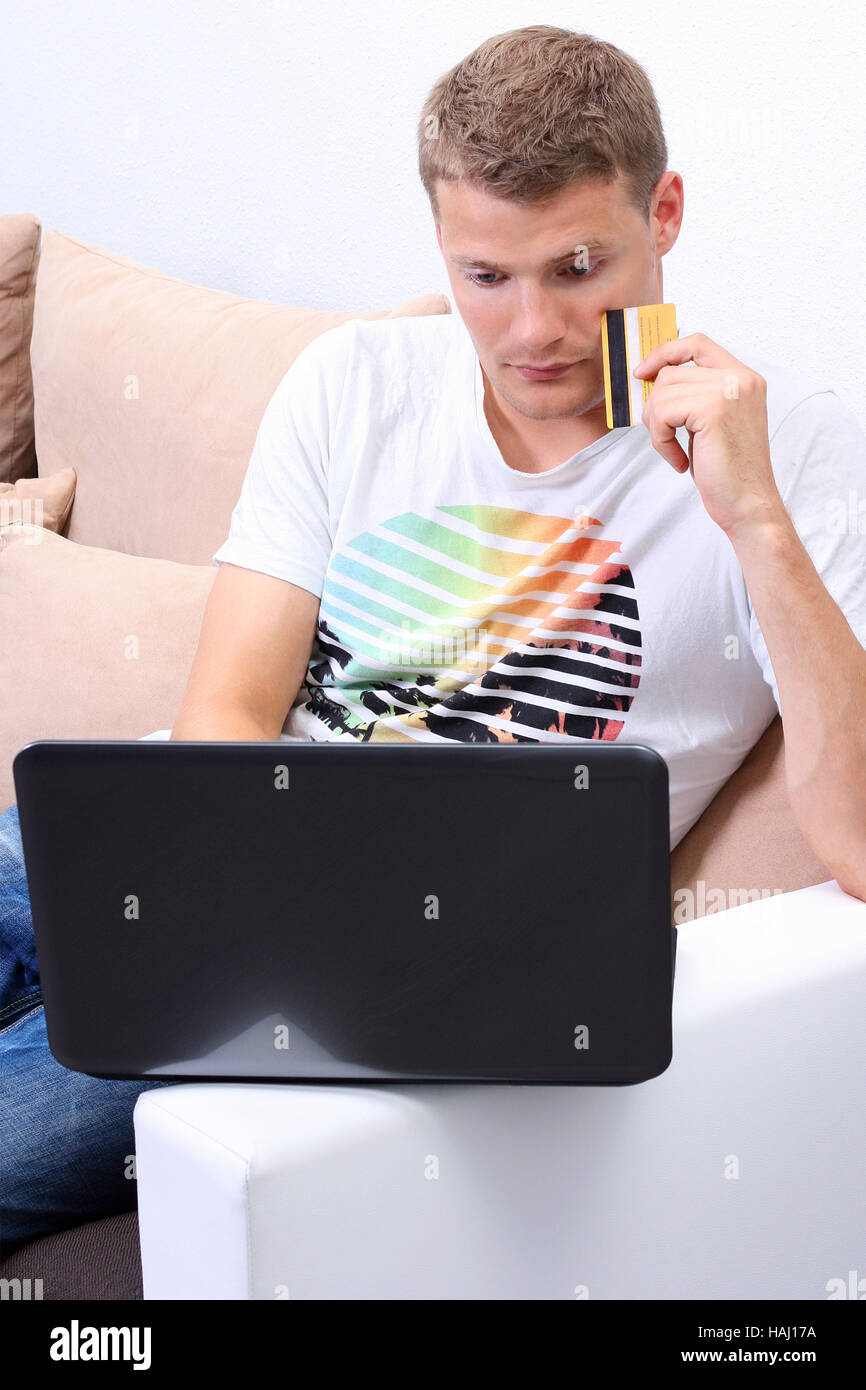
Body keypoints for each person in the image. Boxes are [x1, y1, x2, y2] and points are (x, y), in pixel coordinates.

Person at [3, 22, 866, 1253]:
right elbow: (227, 714)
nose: (531, 332)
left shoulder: (792, 446)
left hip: (424, 978)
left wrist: (757, 524)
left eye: (577, 266)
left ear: (662, 211)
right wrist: (231, 919)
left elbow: (859, 841)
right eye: (484, 277)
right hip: (208, 866)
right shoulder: (351, 381)